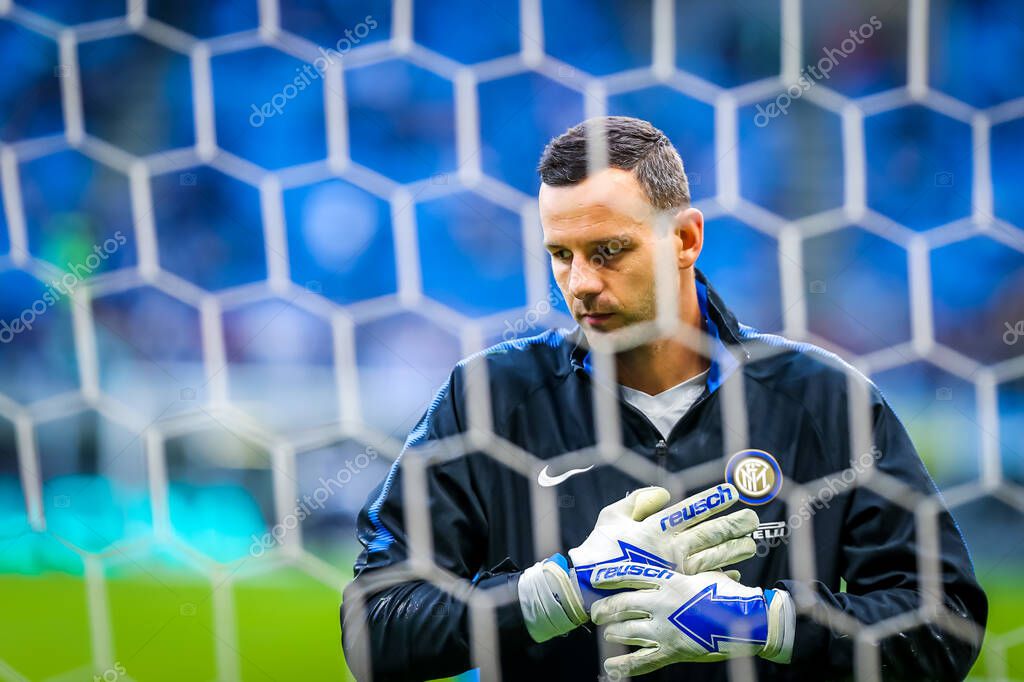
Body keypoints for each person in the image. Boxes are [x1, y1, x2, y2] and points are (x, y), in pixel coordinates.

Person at [341, 116, 987, 681]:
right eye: (560, 255)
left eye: (609, 251)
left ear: (685, 239)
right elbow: (375, 629)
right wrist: (558, 590)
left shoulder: (822, 400)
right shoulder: (487, 399)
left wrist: (766, 623)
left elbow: (946, 623)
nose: (582, 284)